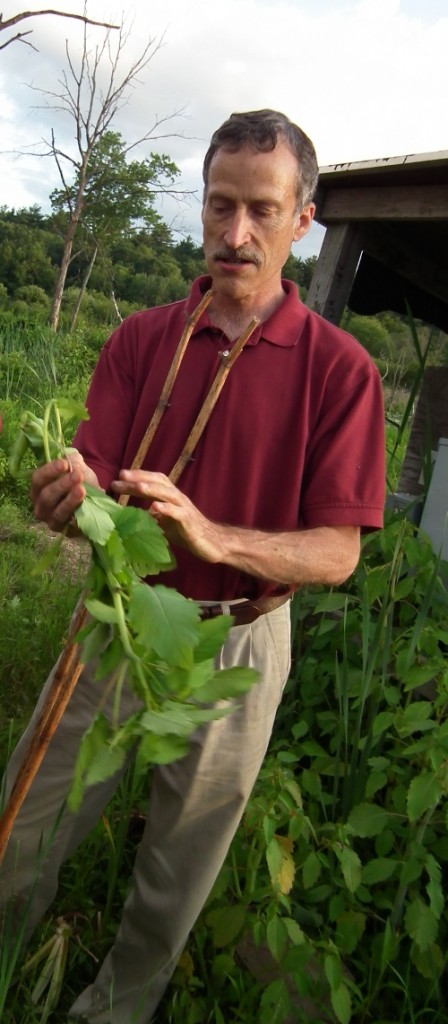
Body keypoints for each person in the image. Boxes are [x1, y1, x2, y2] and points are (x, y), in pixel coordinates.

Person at [0, 109, 385, 1023]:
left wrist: (221, 538)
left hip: (242, 649)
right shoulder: (143, 338)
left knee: (176, 872)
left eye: (261, 209)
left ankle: (113, 1011)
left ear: (304, 220)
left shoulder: (341, 371)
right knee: (19, 831)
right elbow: (92, 469)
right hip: (121, 619)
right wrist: (66, 497)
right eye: (220, 205)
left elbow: (337, 550)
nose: (235, 233)